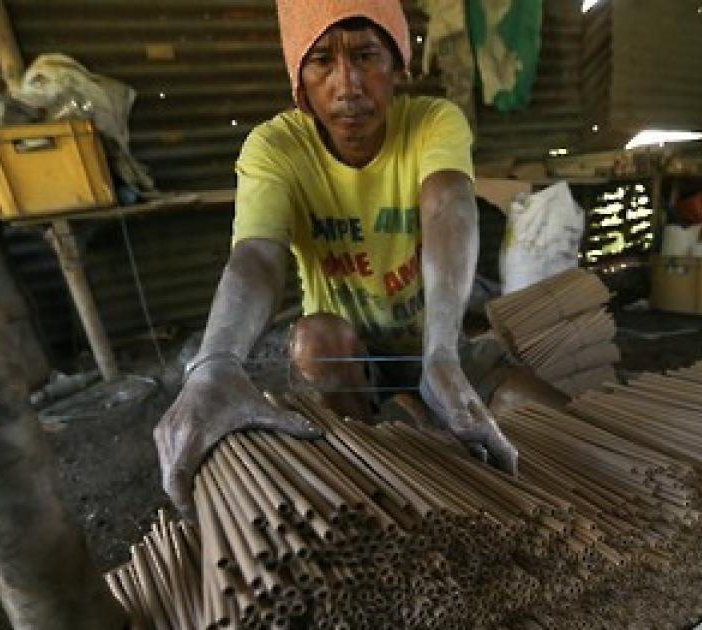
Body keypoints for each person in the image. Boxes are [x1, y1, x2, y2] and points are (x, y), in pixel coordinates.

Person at [153, 0, 566, 519]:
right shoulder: (275, 147)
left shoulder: (434, 122)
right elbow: (257, 254)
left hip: (436, 345)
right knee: (317, 339)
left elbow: (449, 207)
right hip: (349, 361)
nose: (347, 85)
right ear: (299, 80)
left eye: (366, 55)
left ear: (397, 65)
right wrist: (215, 362)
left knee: (562, 424)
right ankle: (368, 470)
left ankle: (425, 405)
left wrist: (441, 352)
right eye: (322, 60)